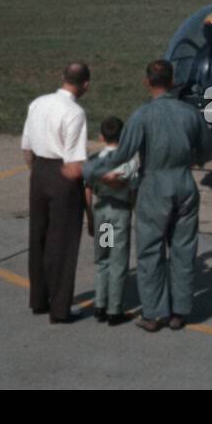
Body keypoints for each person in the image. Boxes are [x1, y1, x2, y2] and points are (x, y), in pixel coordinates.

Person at [83, 60, 212, 333]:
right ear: (172, 81)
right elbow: (207, 151)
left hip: (154, 185)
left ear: (147, 82)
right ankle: (180, 311)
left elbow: (121, 155)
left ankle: (154, 313)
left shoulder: (142, 116)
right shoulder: (189, 113)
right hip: (184, 183)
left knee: (150, 250)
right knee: (183, 249)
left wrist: (90, 168)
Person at [21, 62, 90, 324]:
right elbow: (74, 163)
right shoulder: (75, 113)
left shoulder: (37, 103)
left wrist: (37, 172)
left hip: (39, 170)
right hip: (62, 176)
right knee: (63, 243)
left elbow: (26, 147)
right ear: (86, 85)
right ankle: (60, 308)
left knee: (38, 236)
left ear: (62, 77)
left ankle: (38, 299)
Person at [84, 116, 138, 326]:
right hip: (120, 212)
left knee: (103, 257)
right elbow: (133, 189)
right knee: (118, 261)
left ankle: (100, 303)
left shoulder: (95, 160)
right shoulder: (130, 162)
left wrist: (89, 216)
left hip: (102, 212)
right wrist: (131, 209)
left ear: (101, 136)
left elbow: (87, 188)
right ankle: (115, 309)